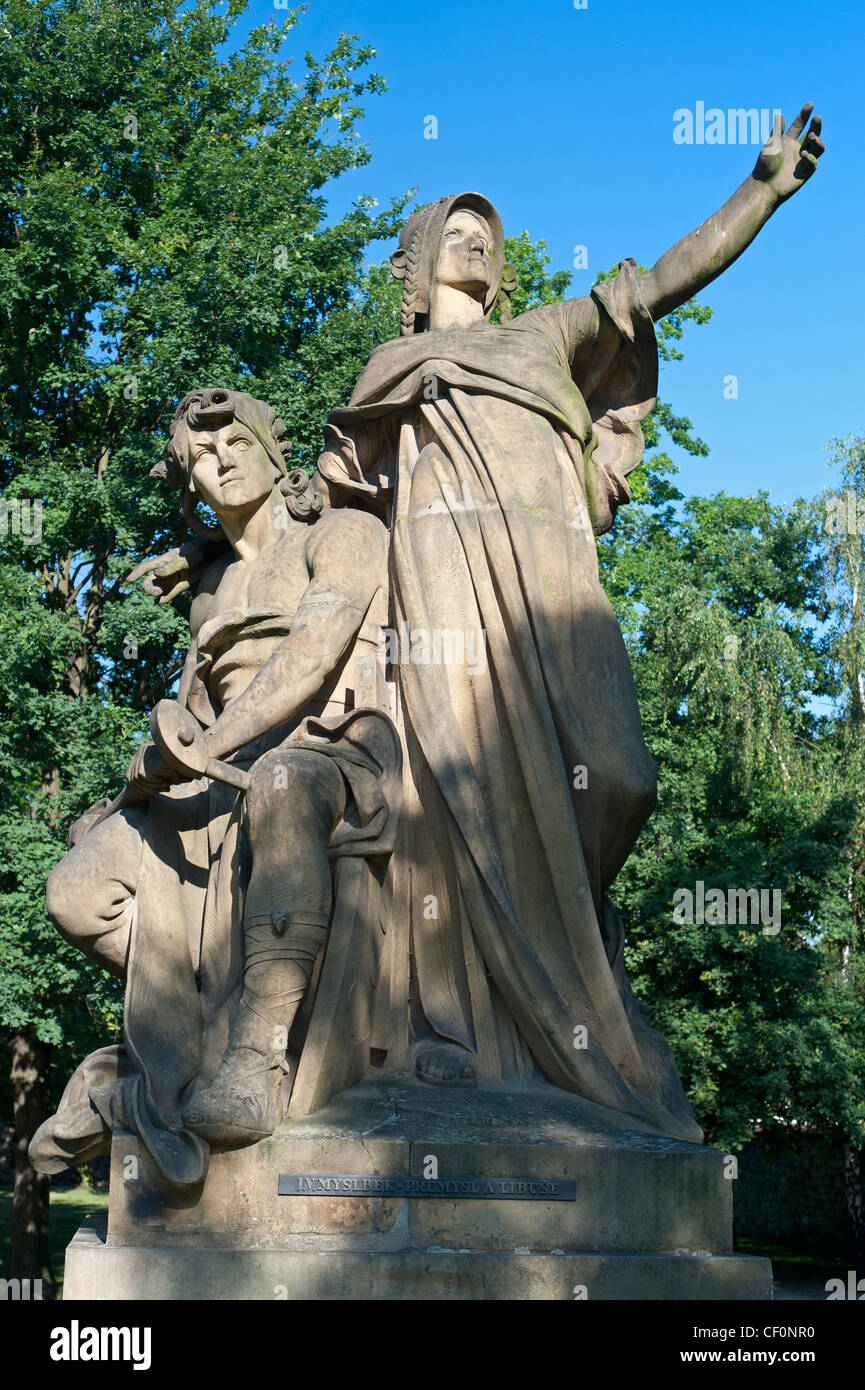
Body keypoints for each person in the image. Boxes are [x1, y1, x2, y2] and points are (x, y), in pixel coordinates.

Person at [314, 105, 824, 1140]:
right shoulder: (387, 371)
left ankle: (568, 965)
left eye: (484, 236)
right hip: (440, 590)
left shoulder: (544, 331)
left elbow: (668, 280)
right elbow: (316, 519)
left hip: (555, 590)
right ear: (414, 269)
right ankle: (460, 1029)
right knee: (449, 794)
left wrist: (761, 188)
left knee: (618, 773)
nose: (474, 244)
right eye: (452, 233)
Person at [29, 389, 400, 1184]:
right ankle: (195, 1030)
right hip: (221, 772)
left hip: (334, 745)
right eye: (200, 454)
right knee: (74, 888)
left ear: (274, 451)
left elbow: (313, 647)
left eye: (235, 441)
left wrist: (204, 750)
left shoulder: (345, 532)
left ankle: (258, 1056)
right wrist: (151, 774)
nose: (221, 459)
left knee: (283, 781)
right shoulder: (209, 587)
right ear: (188, 480)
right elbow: (197, 704)